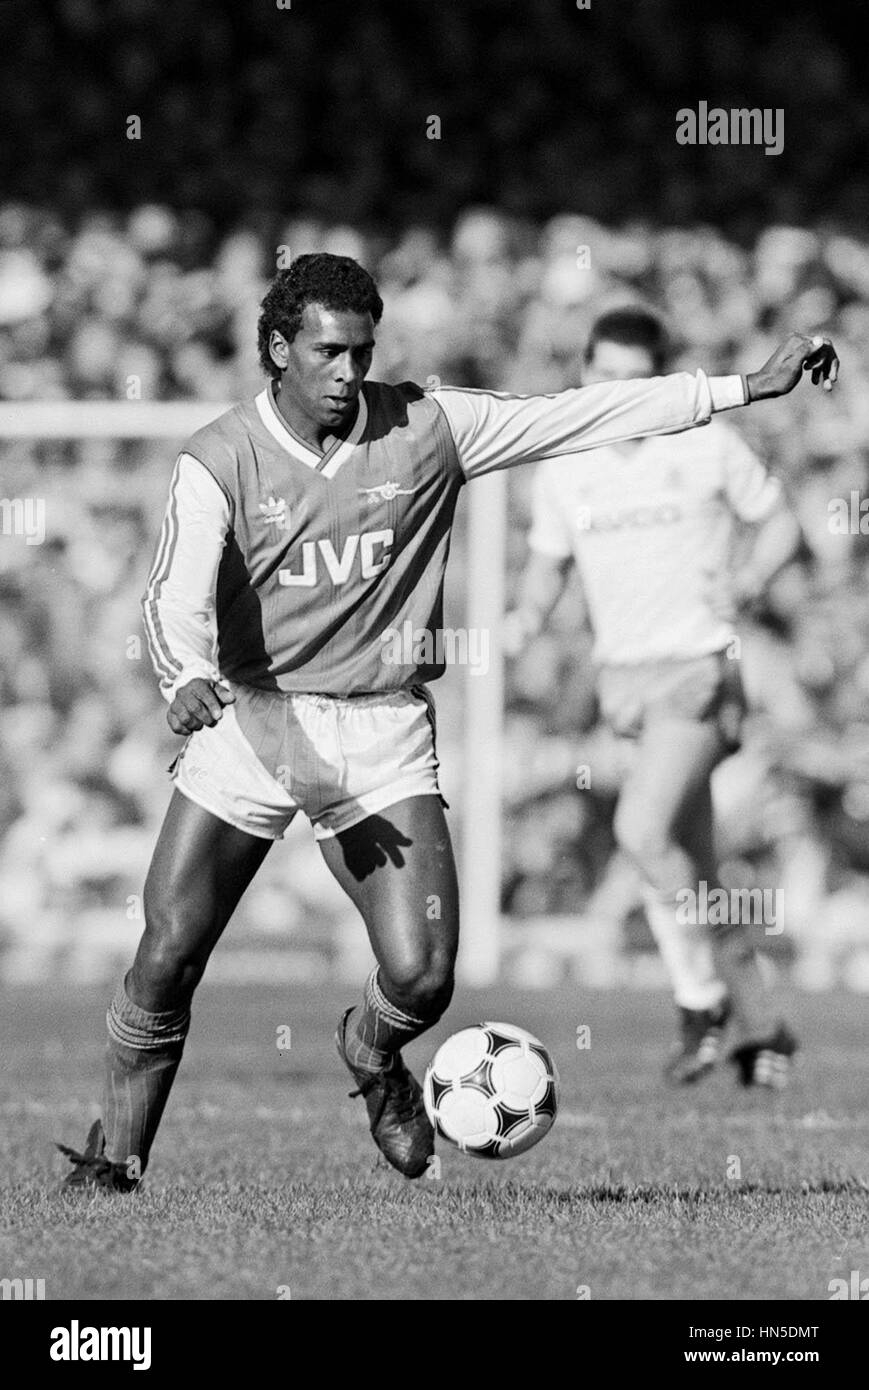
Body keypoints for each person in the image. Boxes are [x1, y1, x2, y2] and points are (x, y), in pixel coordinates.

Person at [57, 255, 838, 1190]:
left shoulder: (429, 424)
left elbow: (576, 415)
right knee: (169, 950)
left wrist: (743, 387)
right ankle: (114, 1164)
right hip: (250, 727)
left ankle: (370, 1052)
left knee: (424, 976)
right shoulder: (218, 457)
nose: (348, 372)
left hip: (381, 732)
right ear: (277, 350)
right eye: (326, 352)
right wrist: (183, 674)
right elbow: (173, 596)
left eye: (361, 352)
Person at [506, 307, 807, 1087]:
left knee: (640, 830)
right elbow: (547, 564)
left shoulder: (704, 444)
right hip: (623, 683)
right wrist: (523, 617)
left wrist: (746, 577)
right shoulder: (565, 465)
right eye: (600, 372)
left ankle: (699, 999)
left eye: (630, 377)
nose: (612, 389)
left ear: (661, 382)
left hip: (699, 667)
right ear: (582, 372)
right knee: (687, 863)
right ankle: (764, 1027)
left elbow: (780, 523)